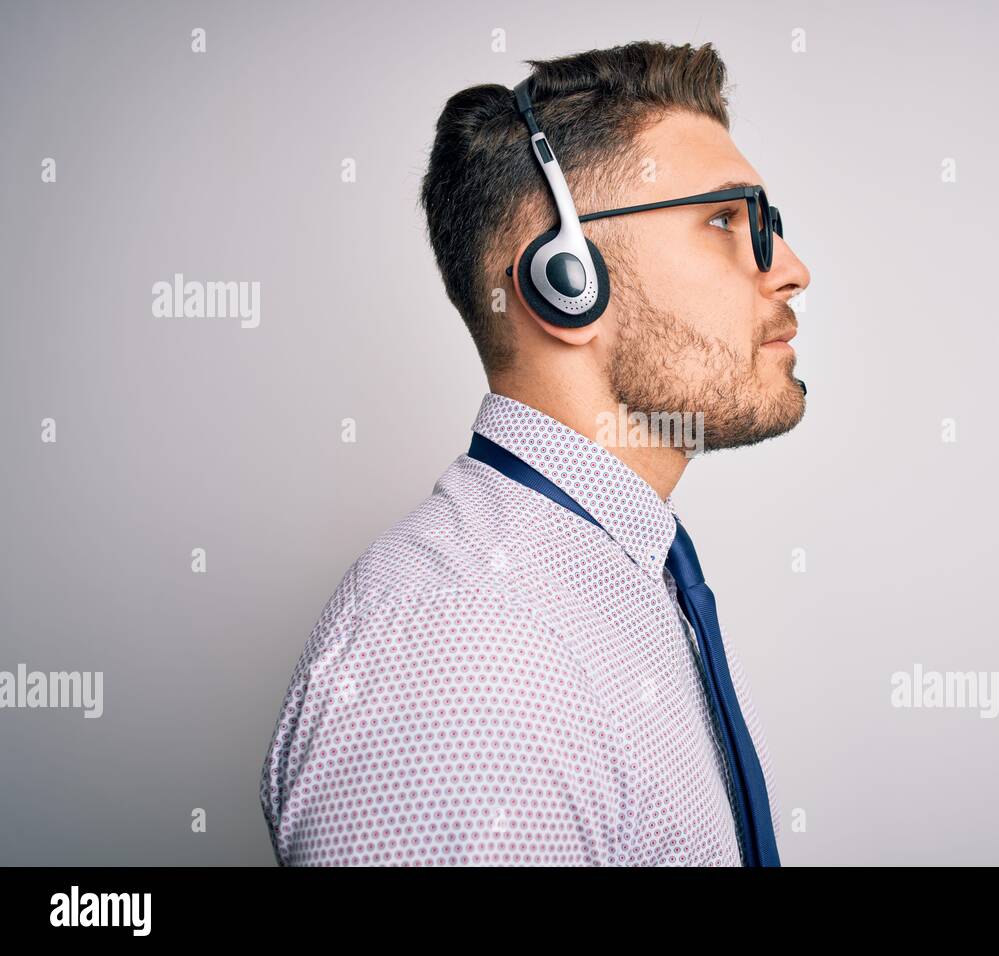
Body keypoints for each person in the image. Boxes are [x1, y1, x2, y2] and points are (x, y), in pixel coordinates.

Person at [259, 39, 811, 866]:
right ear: (567, 276)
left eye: (767, 226)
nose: (793, 271)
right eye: (724, 219)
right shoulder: (466, 655)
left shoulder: (621, 581)